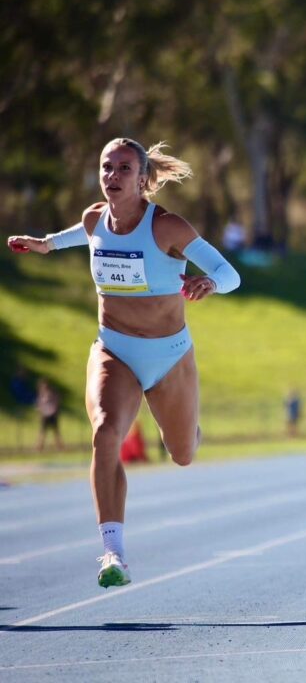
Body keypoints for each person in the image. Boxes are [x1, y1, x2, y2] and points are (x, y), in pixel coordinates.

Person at [6, 138, 240, 588]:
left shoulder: (167, 227)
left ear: (142, 178)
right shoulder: (94, 217)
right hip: (114, 350)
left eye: (123, 169)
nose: (112, 176)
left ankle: (189, 428)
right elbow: (86, 234)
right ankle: (113, 552)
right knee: (105, 432)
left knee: (183, 454)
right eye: (106, 167)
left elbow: (231, 273)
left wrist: (209, 282)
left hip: (169, 356)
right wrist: (47, 245)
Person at [35, 379, 63, 451]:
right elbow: (39, 405)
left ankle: (59, 446)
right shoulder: (41, 395)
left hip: (52, 414)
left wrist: (56, 411)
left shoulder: (52, 394)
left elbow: (57, 401)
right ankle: (40, 446)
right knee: (43, 431)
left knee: (56, 431)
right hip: (45, 415)